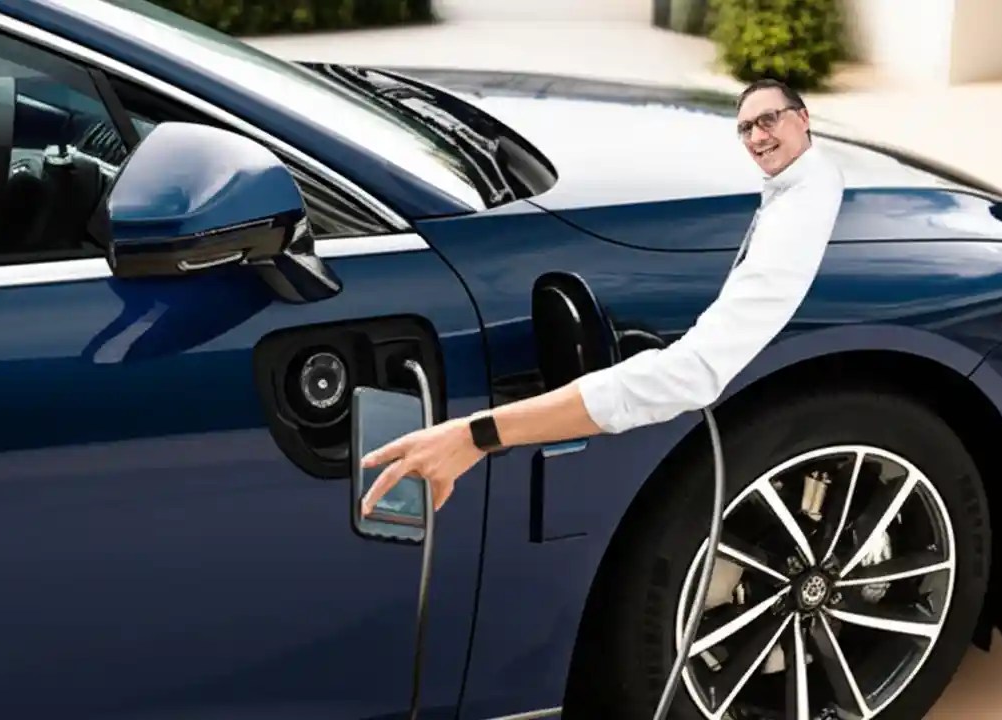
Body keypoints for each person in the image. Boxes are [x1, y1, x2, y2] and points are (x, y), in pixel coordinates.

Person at [361, 78, 846, 517]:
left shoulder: (798, 213)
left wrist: (477, 434)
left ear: (803, 117)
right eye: (745, 129)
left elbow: (693, 374)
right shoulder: (805, 180)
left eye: (768, 120)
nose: (757, 137)